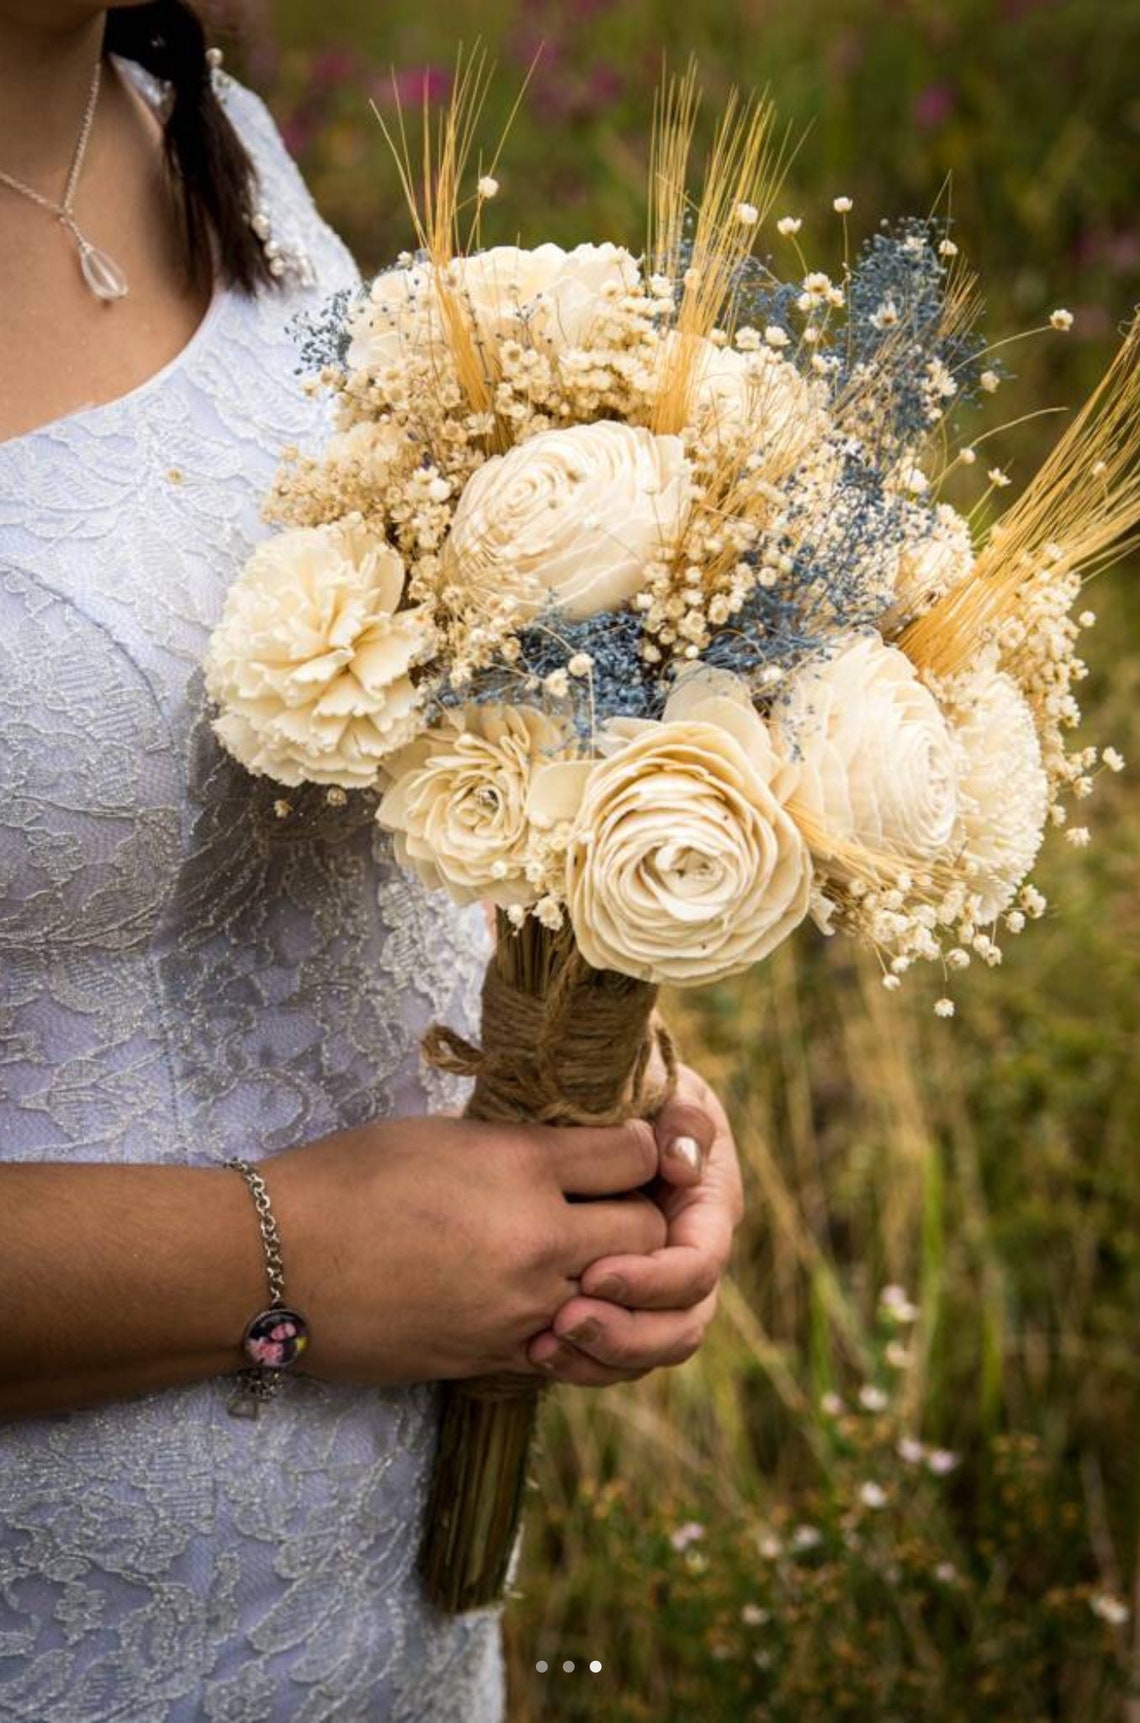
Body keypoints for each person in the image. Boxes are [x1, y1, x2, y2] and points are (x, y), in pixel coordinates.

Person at [0, 2, 745, 1717]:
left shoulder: (211, 141)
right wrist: (300, 1262)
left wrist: (602, 1088)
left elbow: (357, 782)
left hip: (381, 1616)